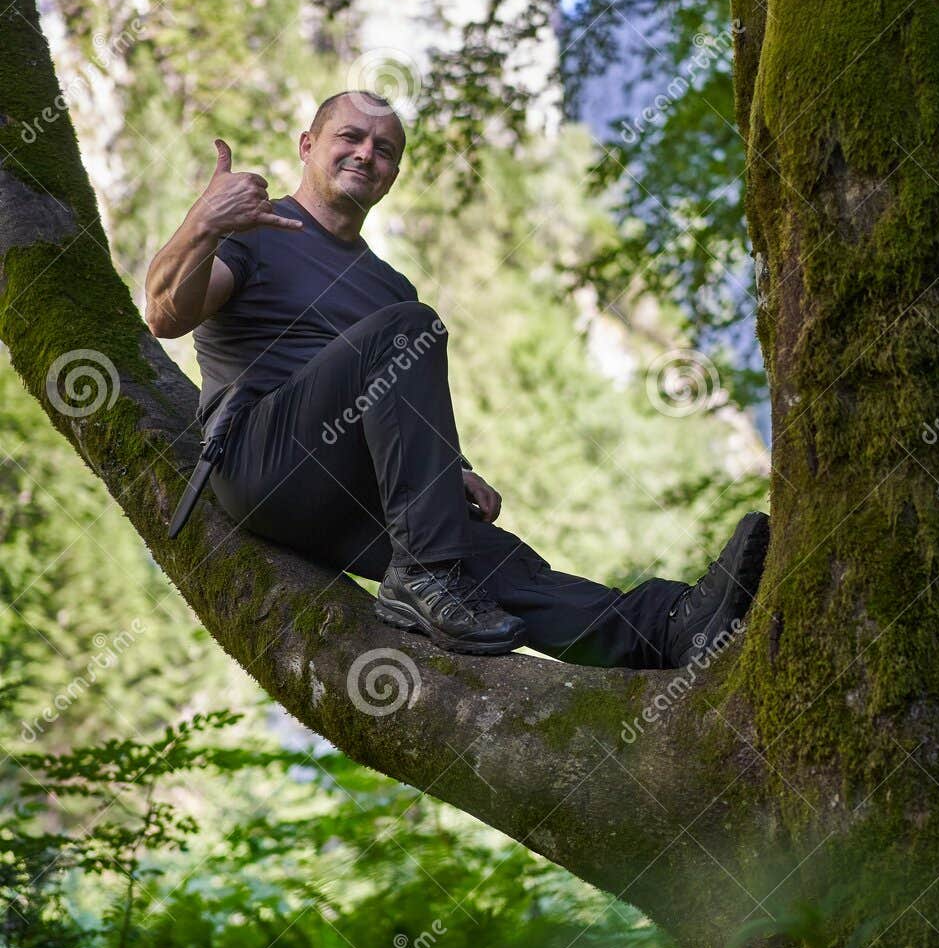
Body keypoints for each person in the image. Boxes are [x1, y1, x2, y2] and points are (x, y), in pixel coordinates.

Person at [145, 89, 769, 664]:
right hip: (263, 463)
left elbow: (396, 403)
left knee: (492, 562)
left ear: (392, 175)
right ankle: (422, 577)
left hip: (351, 494)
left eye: (383, 149)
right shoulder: (258, 235)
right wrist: (206, 224)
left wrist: (452, 471)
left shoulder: (389, 287)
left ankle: (665, 631)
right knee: (410, 332)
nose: (366, 153)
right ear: (308, 145)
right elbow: (165, 315)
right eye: (350, 137)